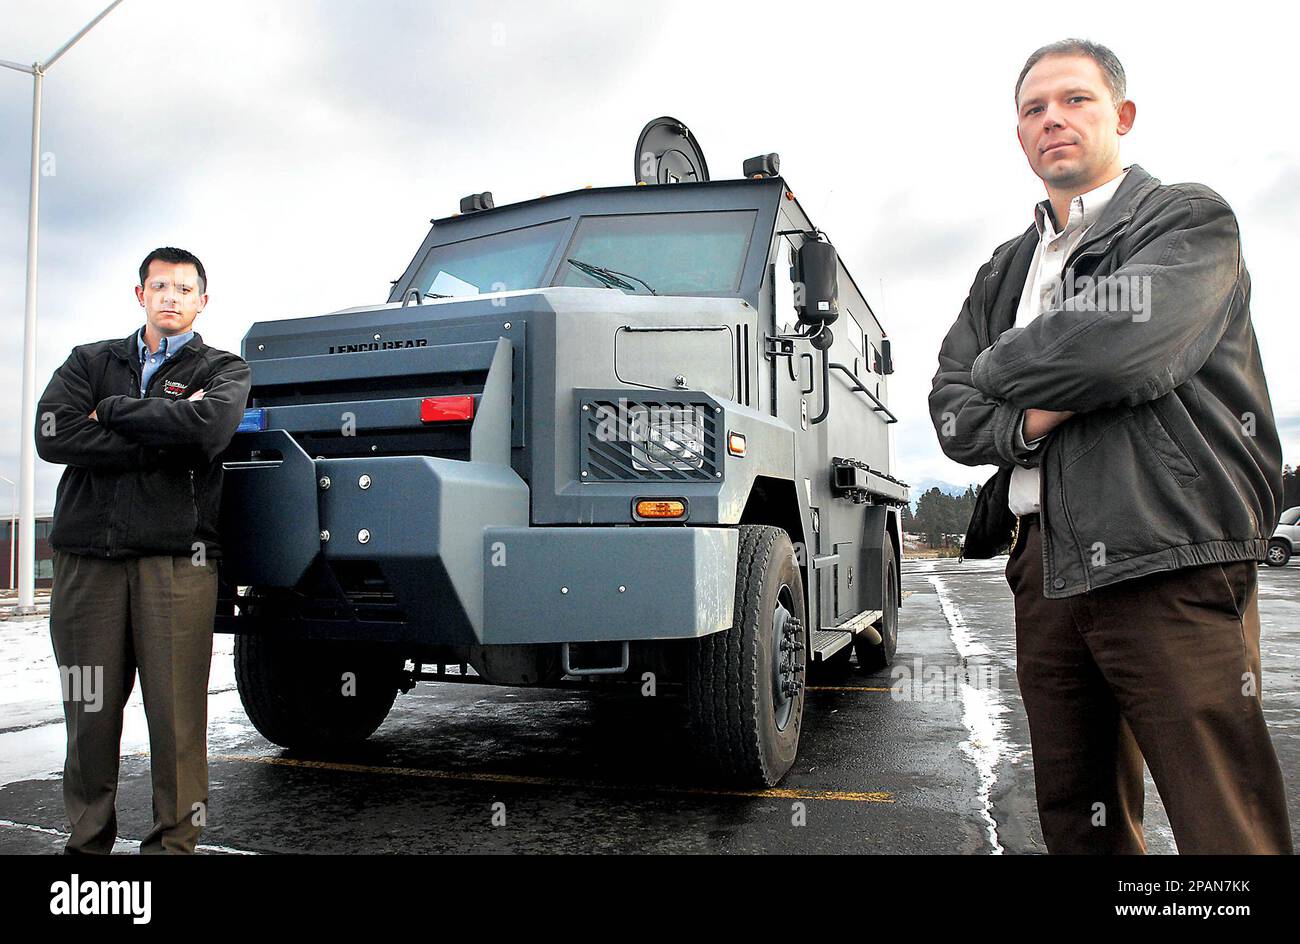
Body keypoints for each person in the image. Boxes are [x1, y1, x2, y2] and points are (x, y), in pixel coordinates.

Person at [929, 39, 1293, 854]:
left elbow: (1117, 351)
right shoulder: (1003, 271)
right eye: (1034, 109)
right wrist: (1024, 422)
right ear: (1019, 137)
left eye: (1075, 100)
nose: (1053, 118)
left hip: (1165, 550)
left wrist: (1000, 366)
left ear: (1121, 116)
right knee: (1076, 812)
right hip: (1042, 567)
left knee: (1220, 819)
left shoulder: (1187, 220)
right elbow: (949, 408)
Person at [35, 246, 251, 854]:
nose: (171, 297)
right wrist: (161, 432)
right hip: (86, 564)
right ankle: (86, 852)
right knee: (88, 715)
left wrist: (114, 414)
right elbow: (53, 432)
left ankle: (172, 850)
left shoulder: (224, 369)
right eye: (160, 286)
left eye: (185, 289)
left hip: (177, 565)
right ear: (140, 295)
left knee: (178, 721)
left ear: (202, 301)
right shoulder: (88, 361)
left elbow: (209, 429)